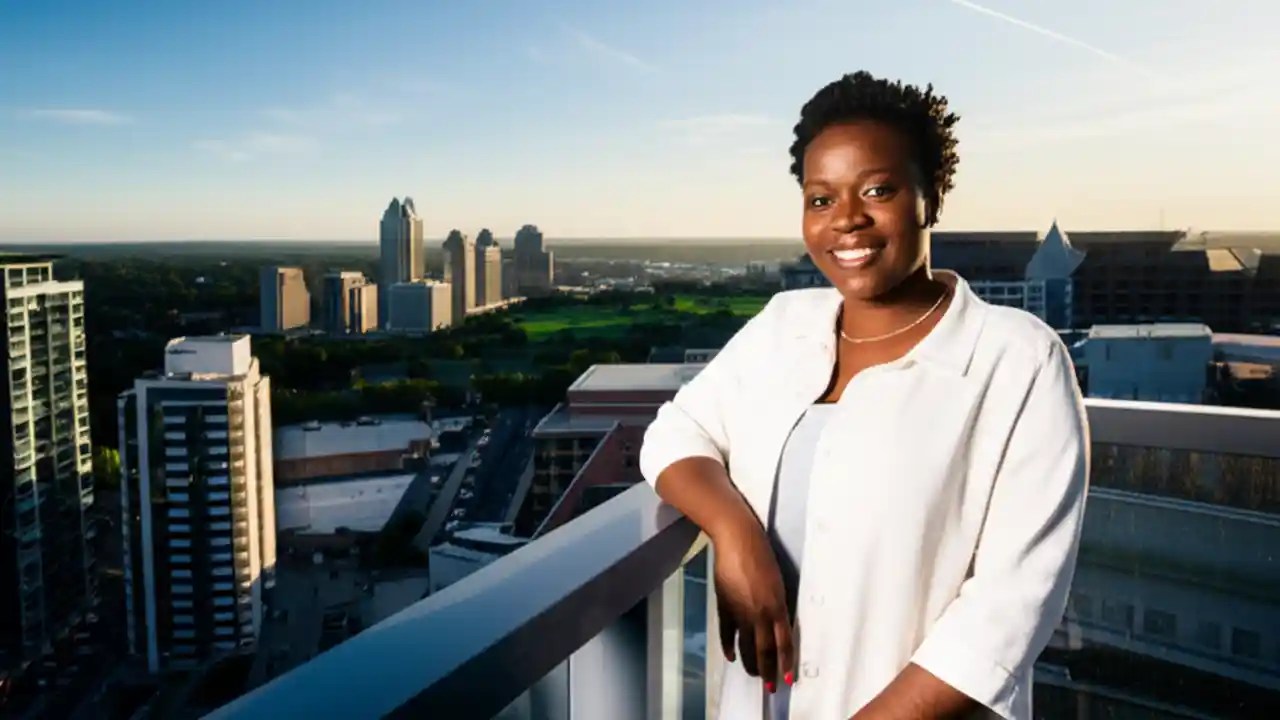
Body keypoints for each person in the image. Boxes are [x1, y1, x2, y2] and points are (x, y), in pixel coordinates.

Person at [639, 71, 1089, 720]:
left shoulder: (1018, 360)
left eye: (877, 189)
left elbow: (1006, 611)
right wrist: (735, 533)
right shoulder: (784, 325)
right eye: (820, 199)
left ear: (931, 198)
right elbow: (676, 433)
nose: (846, 218)